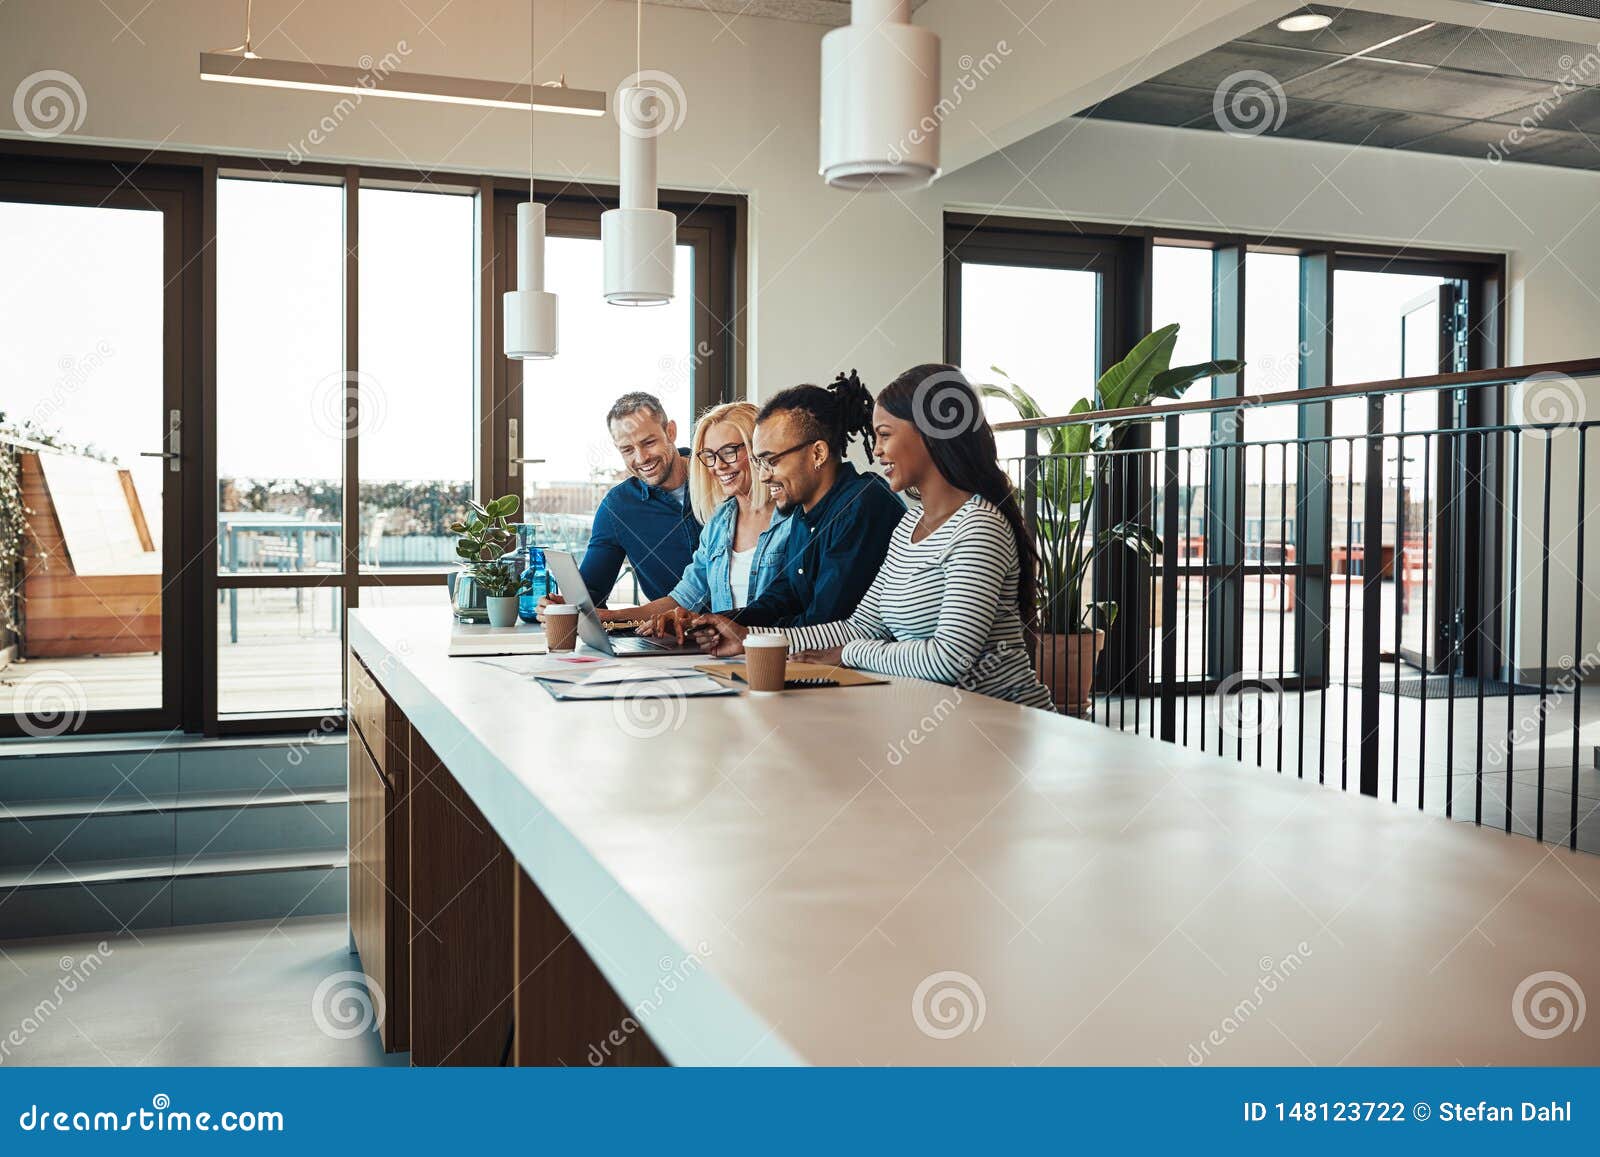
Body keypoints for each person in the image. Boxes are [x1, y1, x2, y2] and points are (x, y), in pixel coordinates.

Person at [690, 364, 1054, 710]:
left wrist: (849, 653)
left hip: (999, 724)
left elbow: (949, 658)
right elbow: (861, 626)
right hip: (937, 717)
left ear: (929, 436)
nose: (876, 450)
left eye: (885, 436)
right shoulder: (909, 525)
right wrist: (749, 637)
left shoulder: (978, 527)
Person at [644, 371, 903, 636]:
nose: (764, 475)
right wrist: (714, 623)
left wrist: (746, 635)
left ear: (818, 453)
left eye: (771, 461)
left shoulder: (862, 505)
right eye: (759, 462)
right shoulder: (804, 513)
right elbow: (783, 597)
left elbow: (826, 623)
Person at [608, 401, 794, 621]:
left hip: (777, 653)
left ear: (759, 448)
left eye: (728, 451)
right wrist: (606, 616)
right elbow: (683, 598)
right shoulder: (719, 523)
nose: (718, 465)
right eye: (709, 455)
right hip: (723, 653)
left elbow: (798, 608)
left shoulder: (795, 519)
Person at [540, 391, 700, 612]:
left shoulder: (718, 476)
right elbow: (591, 593)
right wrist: (564, 604)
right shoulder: (619, 507)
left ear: (670, 431)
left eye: (649, 442)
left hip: (742, 628)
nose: (641, 458)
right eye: (627, 450)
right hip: (671, 638)